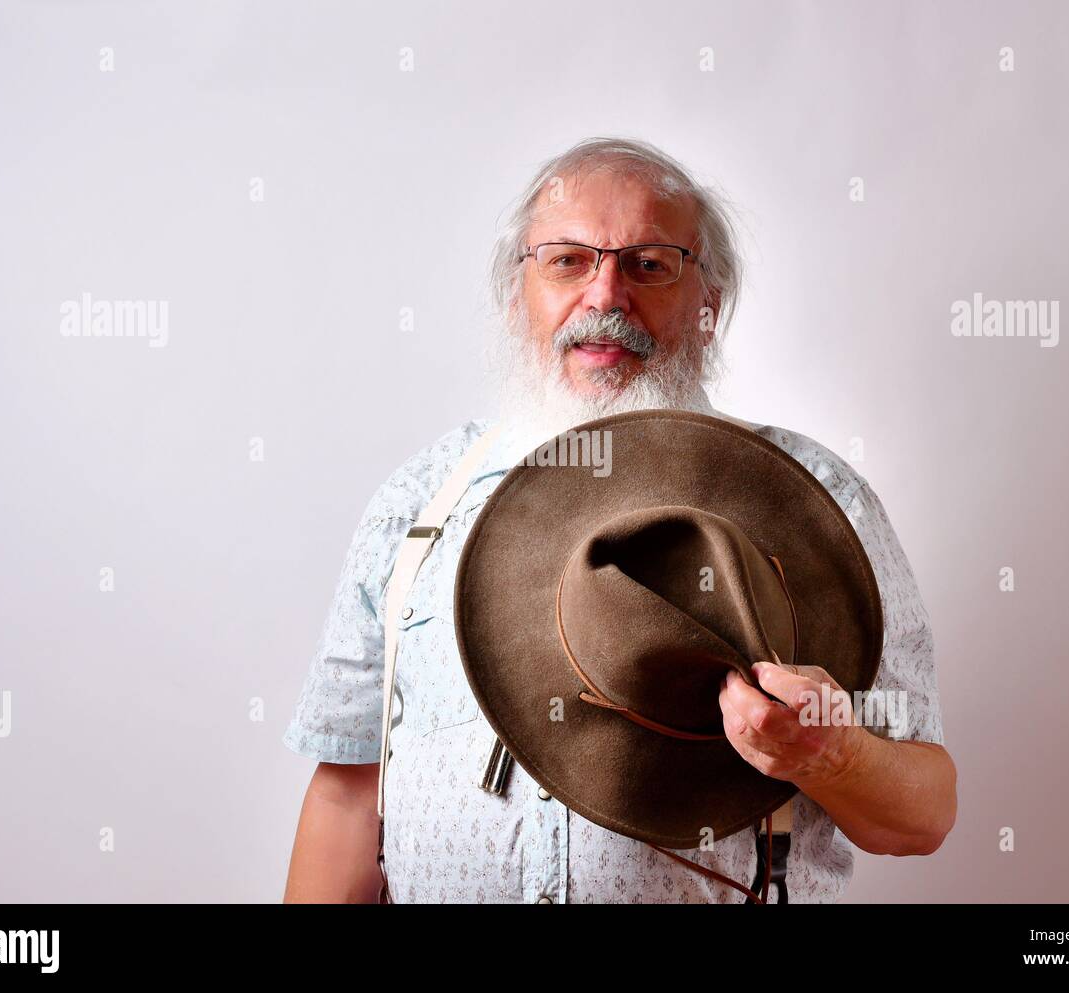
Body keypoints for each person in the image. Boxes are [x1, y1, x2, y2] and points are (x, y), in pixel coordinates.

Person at [282, 136, 956, 903]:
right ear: (517, 292)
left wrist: (826, 753)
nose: (604, 296)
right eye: (567, 260)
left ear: (709, 304)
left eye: (649, 263)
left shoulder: (813, 500)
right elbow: (344, 796)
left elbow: (922, 814)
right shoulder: (419, 503)